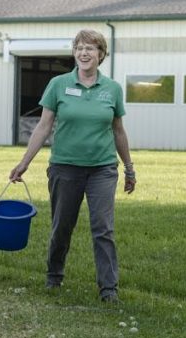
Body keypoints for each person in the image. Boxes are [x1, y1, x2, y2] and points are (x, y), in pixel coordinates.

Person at [8, 29, 136, 302]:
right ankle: (54, 276)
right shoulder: (58, 84)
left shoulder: (112, 89)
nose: (83, 53)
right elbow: (43, 127)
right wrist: (24, 163)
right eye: (79, 48)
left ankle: (108, 288)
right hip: (65, 167)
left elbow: (118, 131)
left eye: (90, 48)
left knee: (103, 228)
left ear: (101, 54)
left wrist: (129, 168)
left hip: (102, 168)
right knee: (62, 226)